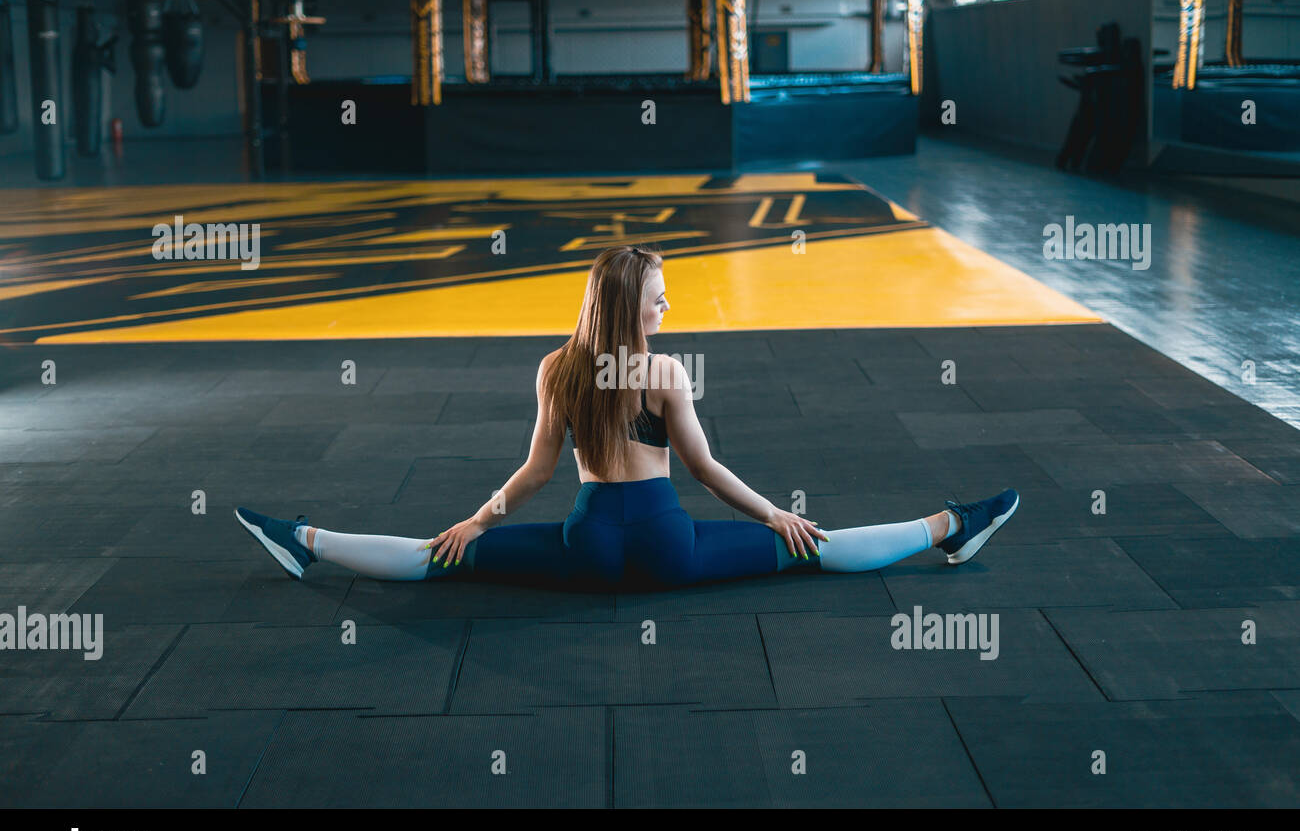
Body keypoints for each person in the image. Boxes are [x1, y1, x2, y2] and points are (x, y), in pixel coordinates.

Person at [235, 245, 1018, 587]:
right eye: (659, 297)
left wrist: (478, 521)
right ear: (632, 308)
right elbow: (706, 473)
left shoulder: (557, 367)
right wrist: (776, 514)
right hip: (667, 548)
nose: (668, 304)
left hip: (587, 547)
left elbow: (537, 473)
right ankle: (950, 526)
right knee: (817, 548)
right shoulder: (667, 372)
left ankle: (304, 541)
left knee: (439, 557)